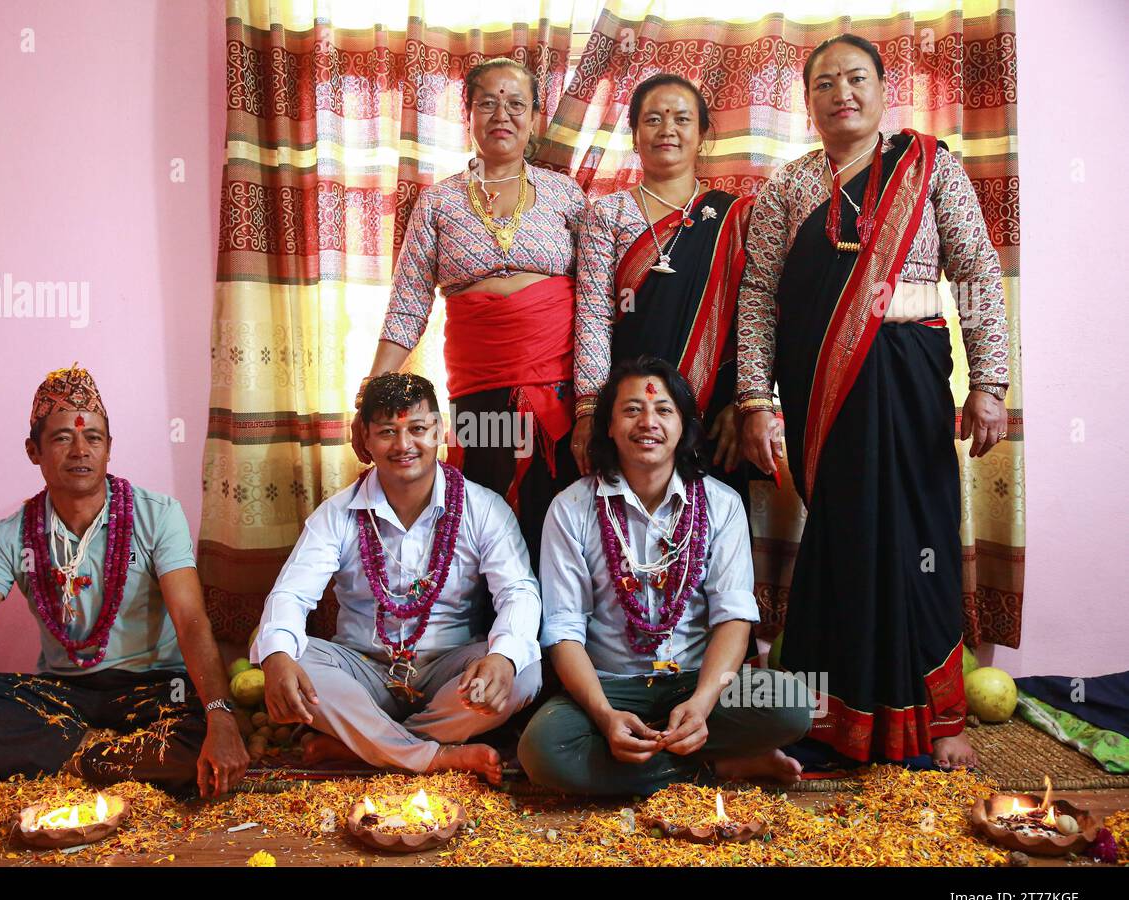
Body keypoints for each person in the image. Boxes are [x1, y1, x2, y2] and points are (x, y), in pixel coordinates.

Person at [736, 34, 1011, 769]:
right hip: (820, 386)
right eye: (824, 83)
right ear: (808, 102)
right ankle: (837, 713)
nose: (841, 94)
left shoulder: (932, 168)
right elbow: (758, 300)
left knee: (919, 536)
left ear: (885, 90)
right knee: (842, 534)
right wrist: (754, 401)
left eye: (856, 78)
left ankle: (937, 714)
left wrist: (990, 383)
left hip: (910, 374)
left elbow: (976, 274)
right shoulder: (788, 189)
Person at [0, 365, 249, 796]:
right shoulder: (14, 533)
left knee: (201, 726)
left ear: (109, 448)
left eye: (93, 437)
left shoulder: (157, 515)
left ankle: (35, 760)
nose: (80, 450)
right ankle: (101, 759)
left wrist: (221, 716)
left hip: (151, 691)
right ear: (32, 451)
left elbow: (190, 620)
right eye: (61, 437)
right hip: (61, 697)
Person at [518, 358, 811, 796]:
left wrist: (701, 702)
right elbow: (563, 630)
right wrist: (603, 715)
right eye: (632, 410)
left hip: (696, 682)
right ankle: (716, 767)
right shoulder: (571, 508)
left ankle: (675, 757)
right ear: (610, 427)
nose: (648, 422)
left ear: (683, 427)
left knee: (792, 706)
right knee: (542, 751)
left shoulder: (721, 504)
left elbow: (733, 617)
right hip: (611, 687)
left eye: (663, 410)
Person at [352, 57, 587, 567]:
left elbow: (594, 304)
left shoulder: (565, 194)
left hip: (557, 394)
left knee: (556, 524)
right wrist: (370, 395)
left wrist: (592, 398)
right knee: (485, 519)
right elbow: (407, 306)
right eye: (487, 103)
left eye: (516, 104)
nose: (502, 114)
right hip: (479, 395)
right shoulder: (439, 203)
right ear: (469, 115)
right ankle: (490, 642)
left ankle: (558, 642)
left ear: (534, 117)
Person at [255, 373, 542, 785]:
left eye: (418, 429)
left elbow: (518, 591)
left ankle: (362, 747)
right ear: (366, 441)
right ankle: (434, 755)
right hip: (362, 673)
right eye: (388, 432)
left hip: (449, 675)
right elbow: (291, 594)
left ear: (441, 431)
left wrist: (501, 658)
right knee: (281, 651)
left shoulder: (484, 508)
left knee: (524, 668)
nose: (404, 445)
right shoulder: (337, 515)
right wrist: (278, 655)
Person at [573, 73, 758, 504]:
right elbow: (593, 317)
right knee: (621, 530)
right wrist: (590, 409)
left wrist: (745, 404)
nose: (667, 130)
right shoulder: (608, 214)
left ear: (702, 133)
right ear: (635, 135)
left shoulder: (735, 218)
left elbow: (755, 316)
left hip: (715, 411)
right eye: (653, 119)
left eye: (681, 119)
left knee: (712, 530)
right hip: (628, 409)